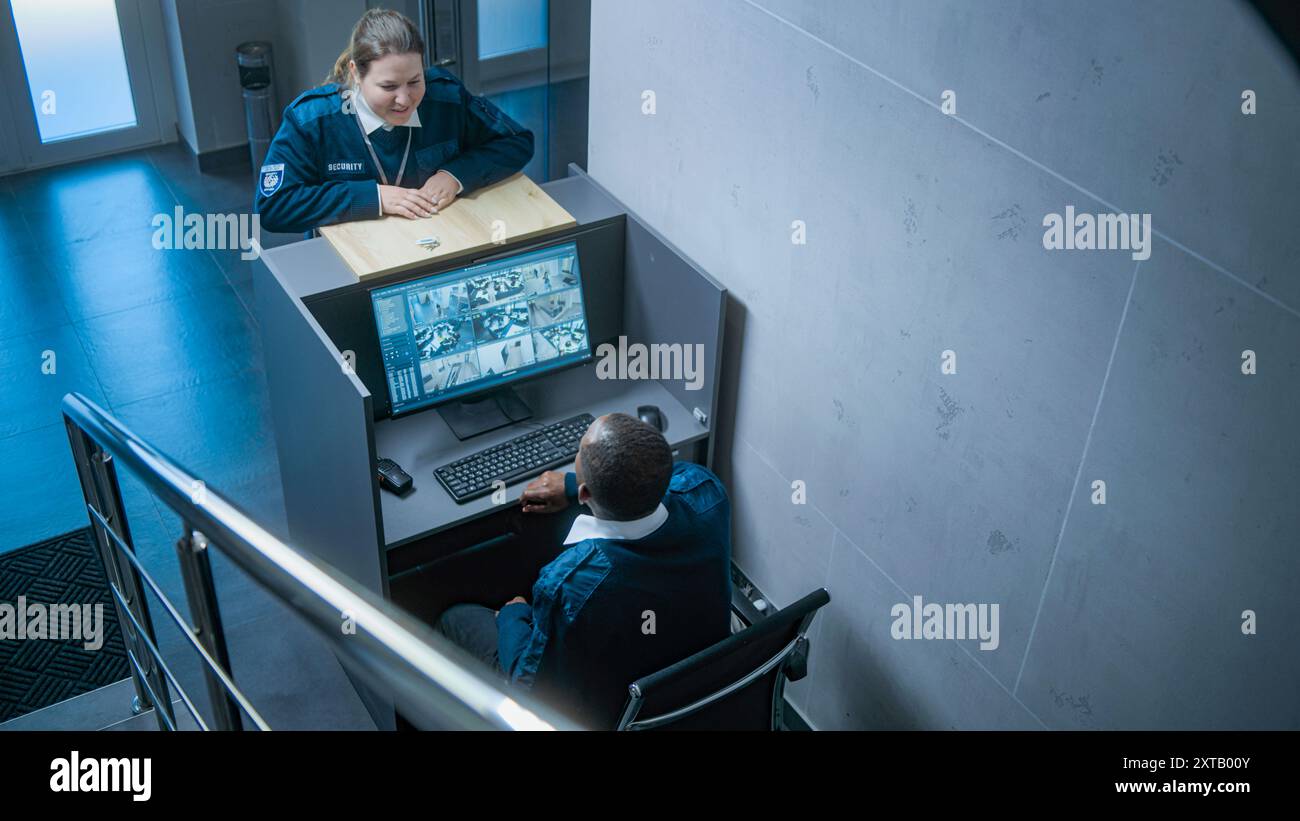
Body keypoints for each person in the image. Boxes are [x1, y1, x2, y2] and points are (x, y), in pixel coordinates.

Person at [434, 413, 734, 728]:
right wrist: (570, 485)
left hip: (603, 713)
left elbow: (529, 687)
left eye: (578, 452)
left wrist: (514, 614)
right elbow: (679, 475)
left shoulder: (571, 584)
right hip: (690, 683)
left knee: (455, 619)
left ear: (586, 495)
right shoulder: (707, 491)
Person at [255, 8, 533, 234]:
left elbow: (518, 142)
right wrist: (373, 198)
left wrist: (455, 175)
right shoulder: (311, 120)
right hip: (349, 257)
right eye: (388, 87)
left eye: (414, 81)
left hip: (440, 239)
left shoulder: (446, 96)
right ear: (356, 73)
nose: (405, 99)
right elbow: (273, 207)